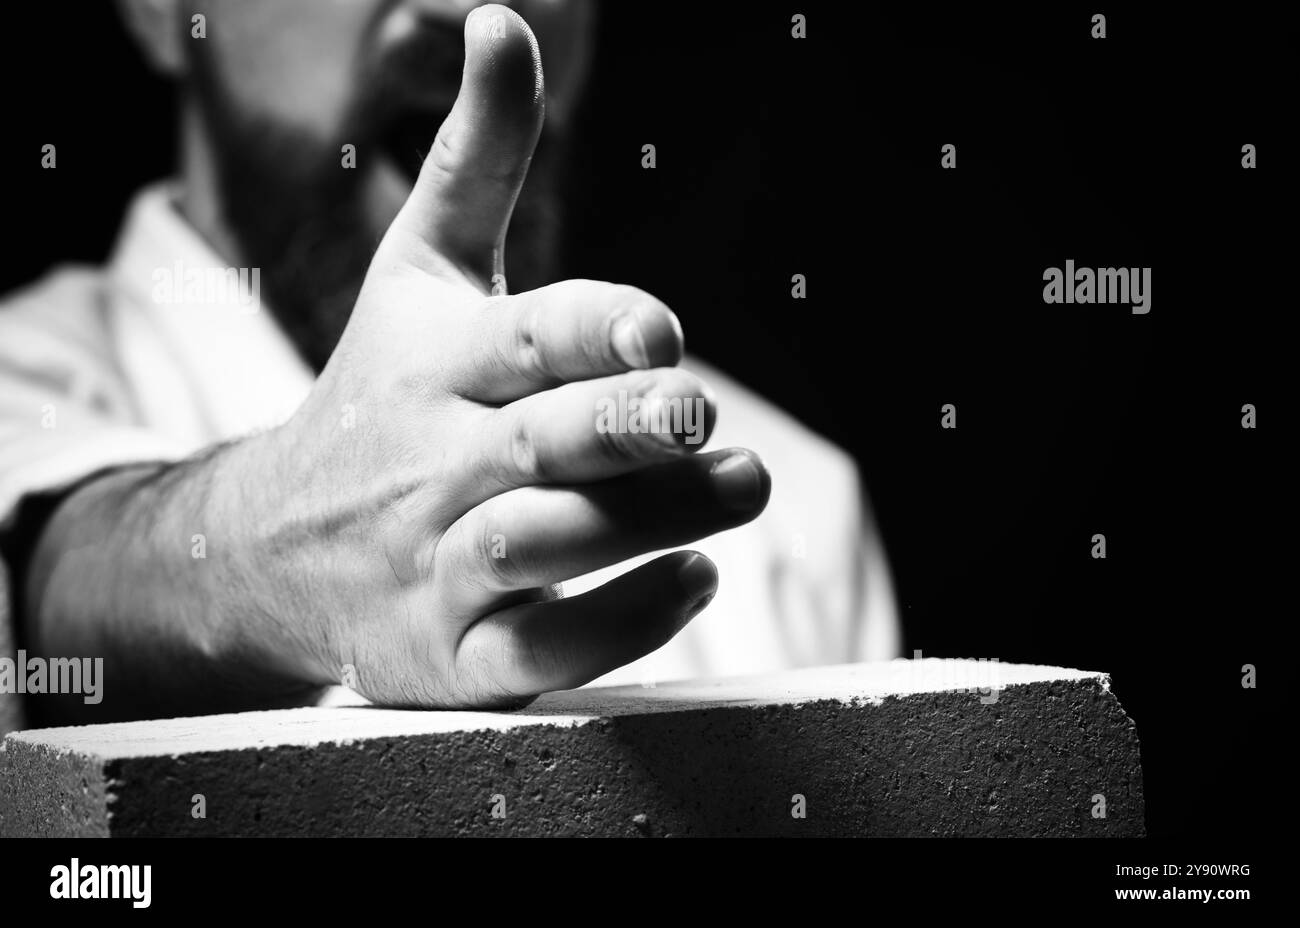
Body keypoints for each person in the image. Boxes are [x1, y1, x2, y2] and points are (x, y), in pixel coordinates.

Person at [0, 1, 898, 732]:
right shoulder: (24, 386)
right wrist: (265, 550)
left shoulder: (793, 516)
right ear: (162, 13)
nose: (460, 12)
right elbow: (55, 579)